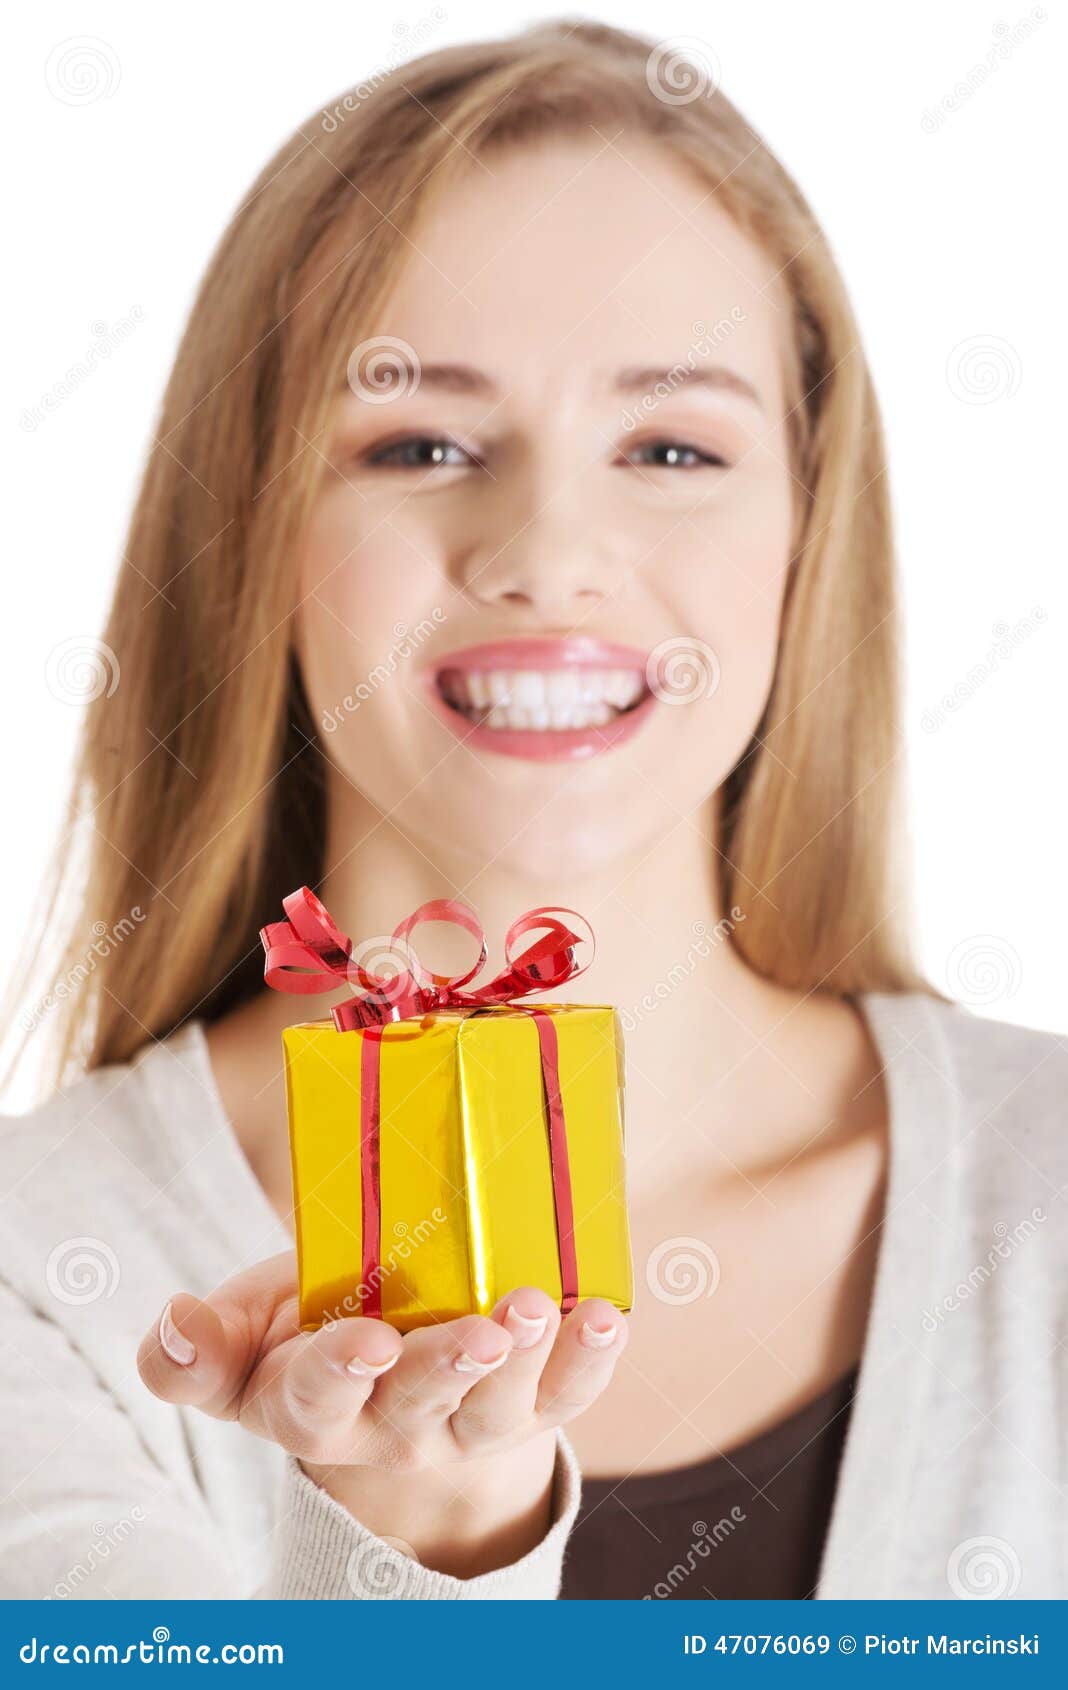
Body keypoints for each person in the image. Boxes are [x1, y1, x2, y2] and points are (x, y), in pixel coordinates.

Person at [2, 19, 1063, 1602]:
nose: (548, 547)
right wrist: (419, 1550)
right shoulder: (37, 1272)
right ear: (255, 528)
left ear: (805, 524)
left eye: (670, 443)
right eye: (418, 440)